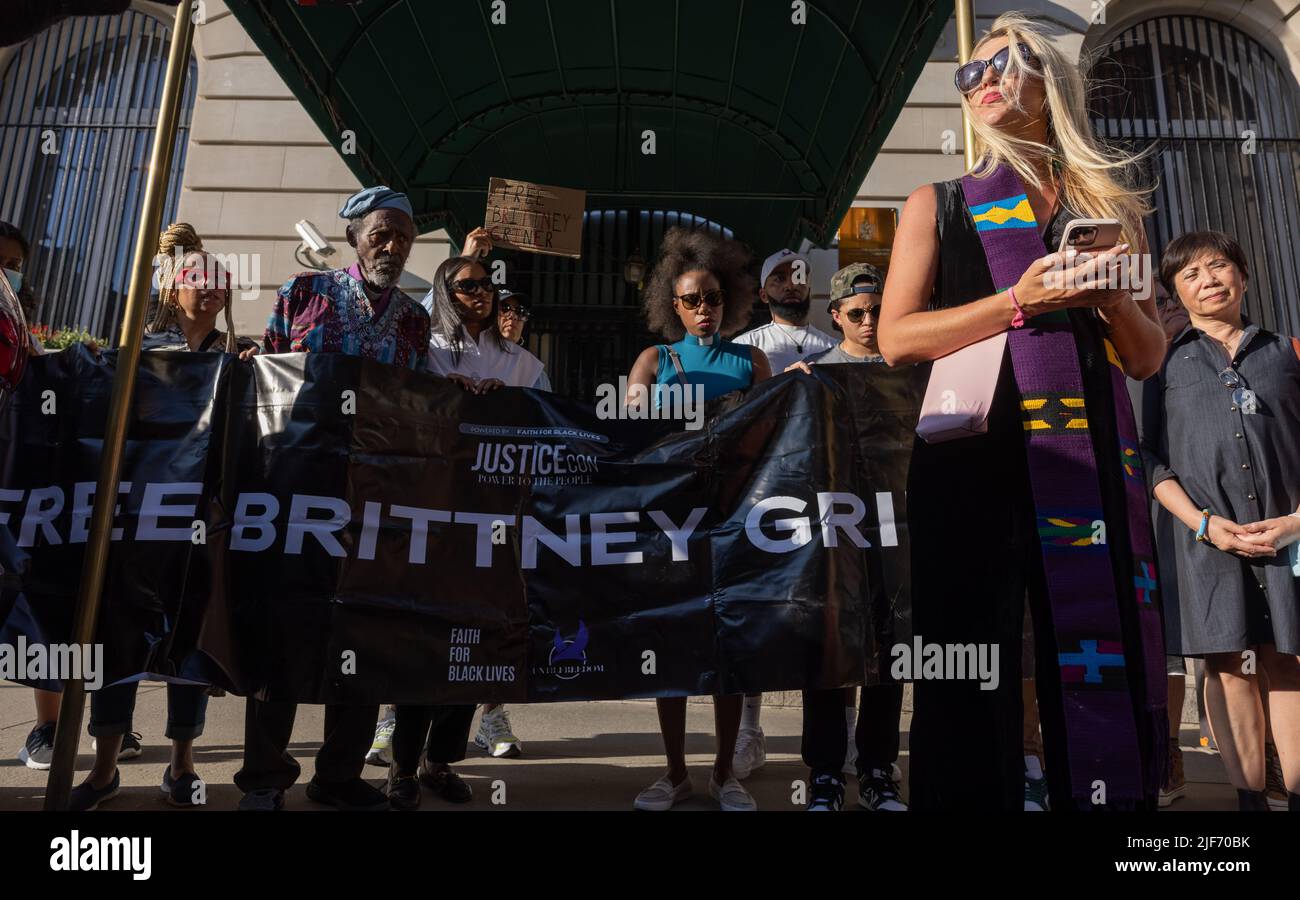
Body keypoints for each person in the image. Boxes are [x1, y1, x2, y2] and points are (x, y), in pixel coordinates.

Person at [878, 13, 1168, 811]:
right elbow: (897, 338)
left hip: (1090, 458)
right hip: (976, 457)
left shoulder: (1107, 210)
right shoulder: (937, 202)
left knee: (1098, 644)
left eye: (1000, 63)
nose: (981, 81)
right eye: (968, 74)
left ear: (1051, 82)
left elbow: (1146, 357)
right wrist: (1017, 301)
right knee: (968, 653)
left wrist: (1110, 298)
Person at [240, 186, 430, 812]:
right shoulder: (303, 293)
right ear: (353, 236)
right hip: (295, 492)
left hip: (375, 495)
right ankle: (266, 780)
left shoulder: (413, 318)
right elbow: (265, 377)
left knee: (364, 628)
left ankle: (339, 777)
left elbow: (420, 400)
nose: (394, 244)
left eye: (403, 234)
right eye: (382, 231)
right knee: (283, 628)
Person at [68, 223, 257, 810]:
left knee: (191, 637)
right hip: (139, 520)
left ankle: (182, 765)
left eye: (222, 281)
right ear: (173, 289)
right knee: (118, 633)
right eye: (199, 280)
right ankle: (104, 769)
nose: (213, 290)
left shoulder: (240, 358)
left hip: (207, 522)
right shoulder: (137, 352)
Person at [1144, 230, 1300, 812]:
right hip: (1206, 542)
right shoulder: (1159, 363)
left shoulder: (1288, 351)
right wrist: (1203, 524)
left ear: (1244, 275)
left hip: (1289, 541)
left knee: (1288, 661)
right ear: (1174, 292)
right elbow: (1148, 458)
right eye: (1191, 274)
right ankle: (1249, 804)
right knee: (1226, 663)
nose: (1209, 279)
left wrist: (1294, 524)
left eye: (1219, 266)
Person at [624, 226, 771, 811]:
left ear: (729, 299)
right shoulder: (653, 358)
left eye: (712, 297)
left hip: (735, 514)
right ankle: (675, 772)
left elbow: (776, 430)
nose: (703, 308)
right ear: (672, 304)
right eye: (690, 299)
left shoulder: (752, 358)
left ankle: (723, 772)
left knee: (728, 645)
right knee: (672, 641)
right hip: (671, 519)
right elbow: (627, 418)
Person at [786, 263, 907, 811]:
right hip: (834, 534)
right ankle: (827, 772)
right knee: (830, 649)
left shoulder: (909, 365)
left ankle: (880, 768)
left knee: (891, 646)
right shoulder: (814, 373)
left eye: (878, 310)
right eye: (857, 312)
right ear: (835, 315)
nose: (868, 320)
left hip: (894, 532)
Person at [729, 247, 835, 778]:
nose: (792, 285)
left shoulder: (837, 346)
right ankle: (749, 730)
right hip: (765, 498)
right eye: (781, 276)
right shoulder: (744, 349)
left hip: (825, 495)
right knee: (759, 611)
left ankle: (843, 743)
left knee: (833, 611)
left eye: (800, 276)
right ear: (763, 286)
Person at [1126, 279, 1192, 807]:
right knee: (1161, 638)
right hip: (1141, 504)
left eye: (1171, 301)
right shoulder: (1134, 352)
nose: (1167, 311)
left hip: (1205, 512)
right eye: (1159, 303)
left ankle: (1266, 754)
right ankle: (1166, 750)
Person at [1, 220, 62, 768]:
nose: (9, 274)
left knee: (35, 600)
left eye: (15, 265)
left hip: (16, 492)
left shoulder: (21, 333)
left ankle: (47, 727)